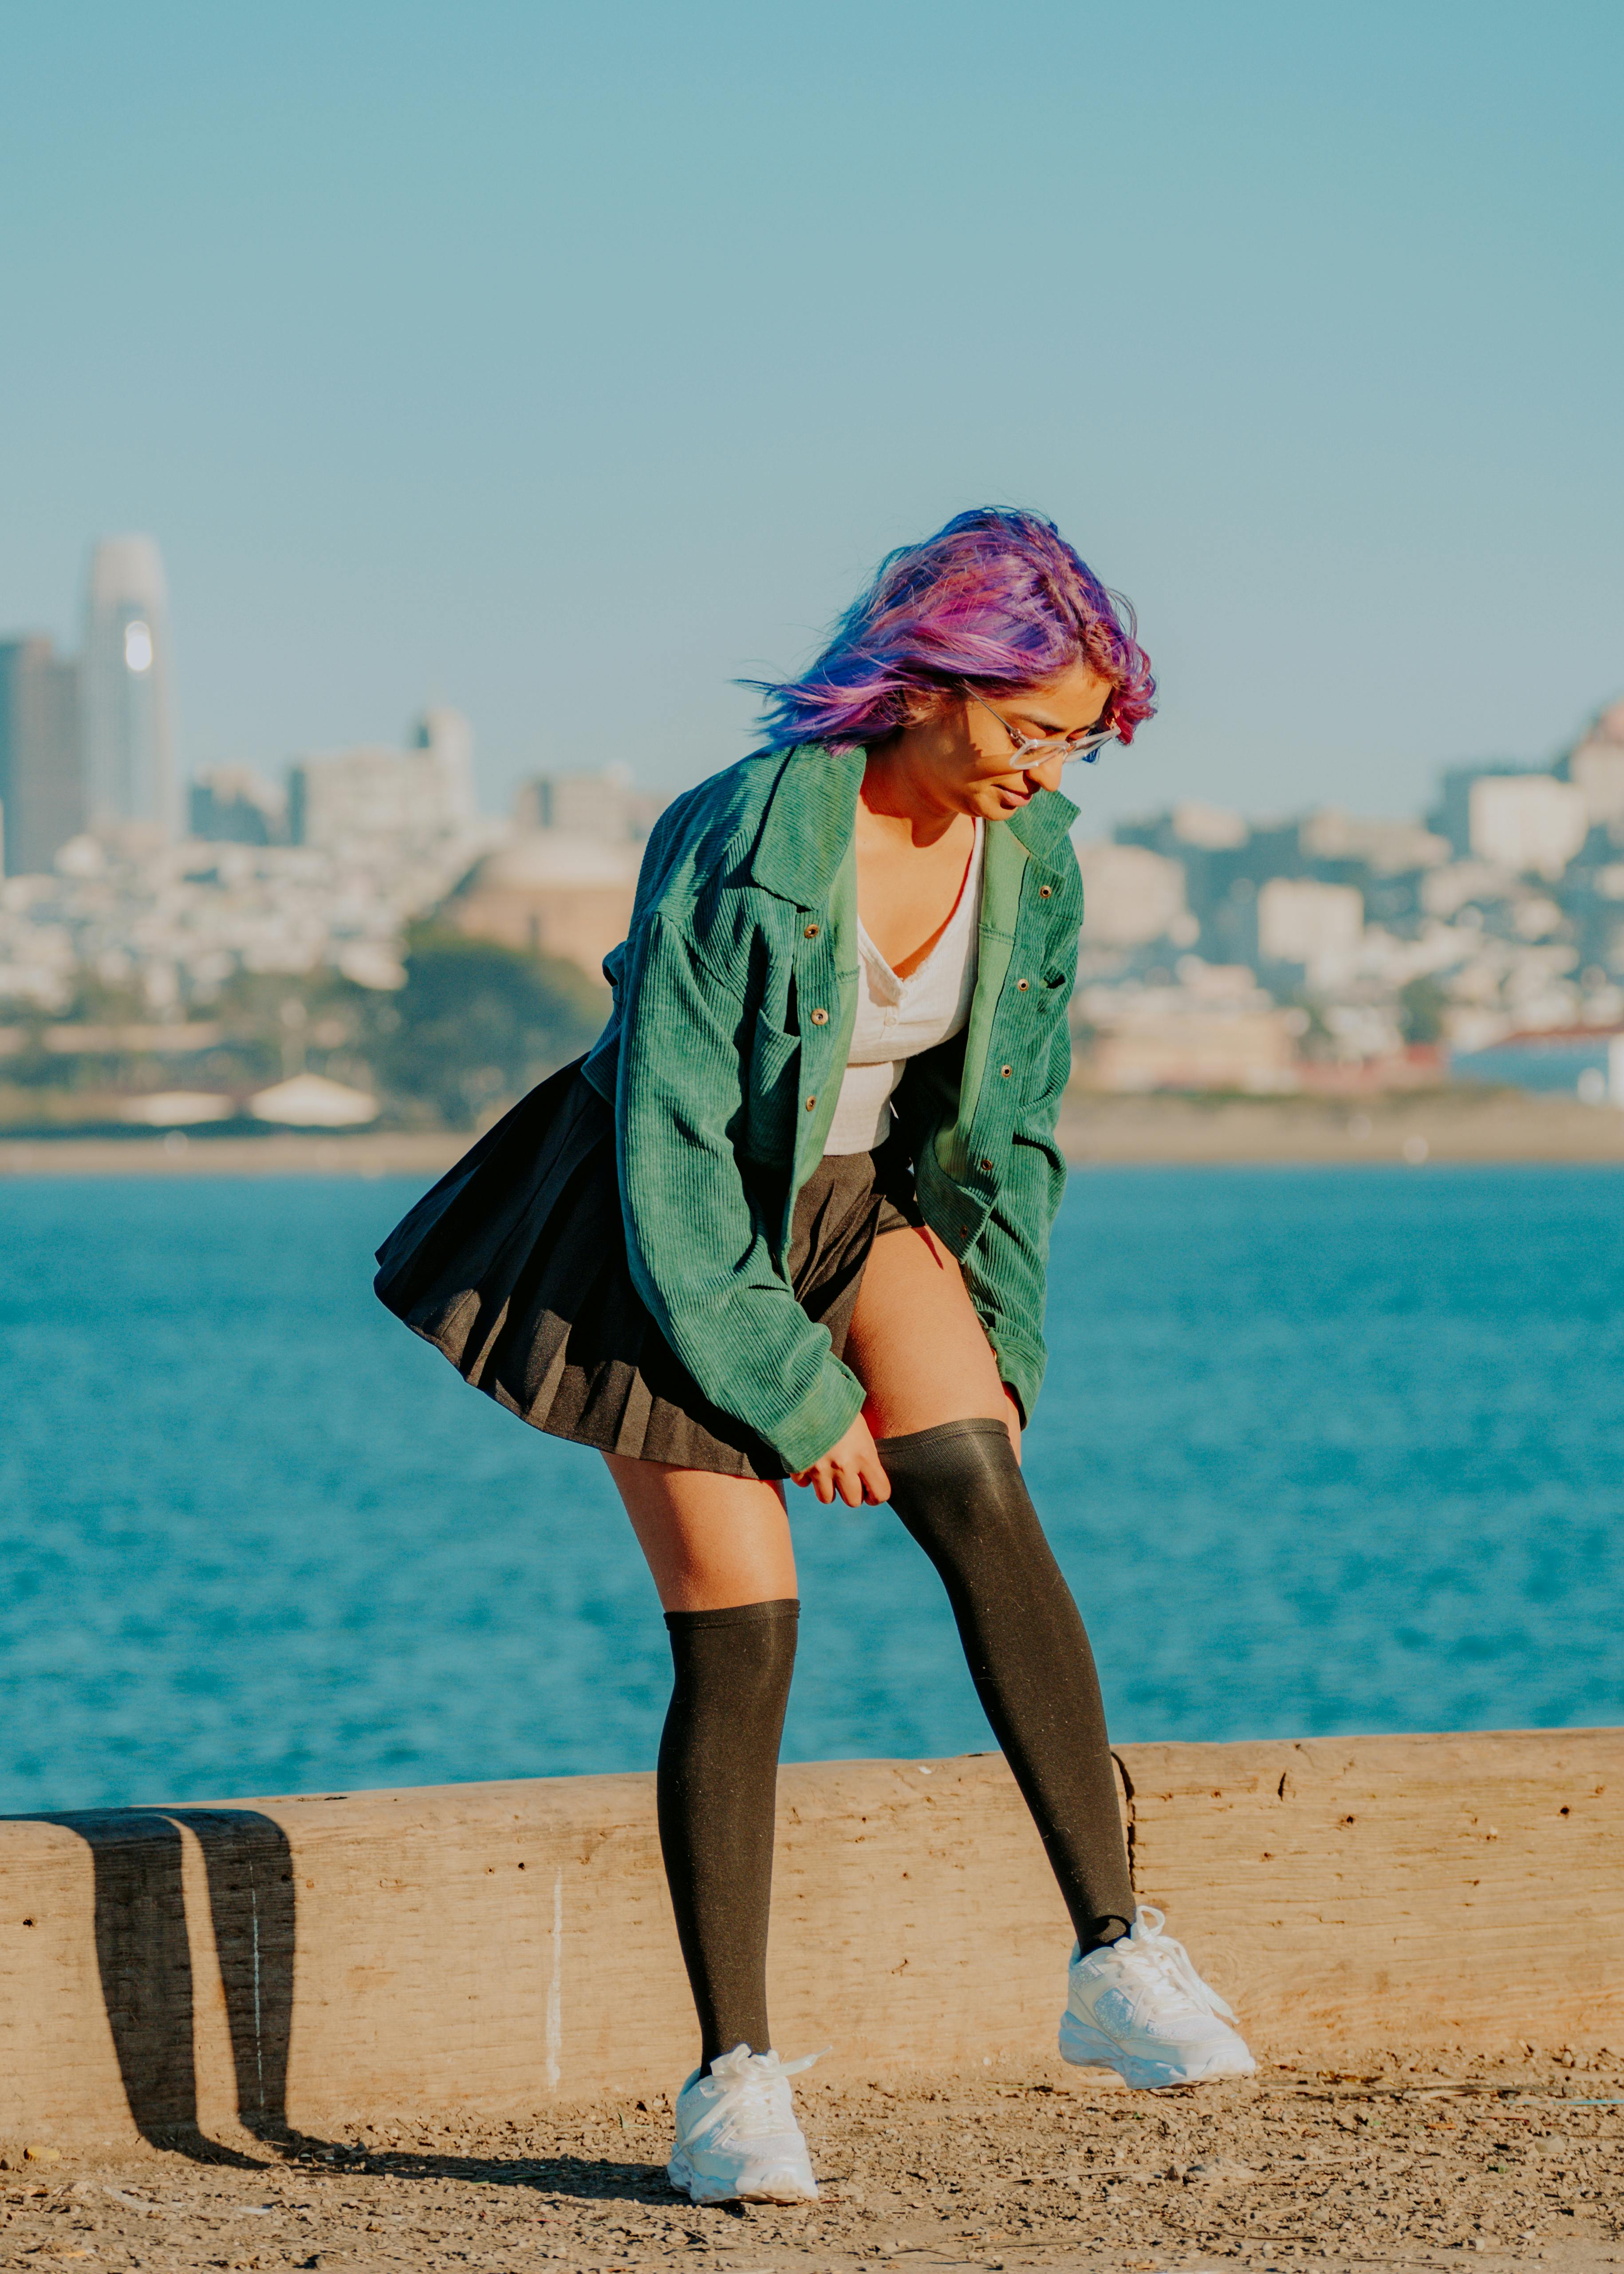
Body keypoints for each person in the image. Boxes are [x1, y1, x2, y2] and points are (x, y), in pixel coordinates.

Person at [374, 507, 1254, 2208]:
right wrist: (793, 1391)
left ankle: (1113, 1953)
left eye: (1080, 738)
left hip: (854, 1205)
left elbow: (1008, 1130)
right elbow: (677, 1146)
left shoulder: (1038, 853)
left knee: (978, 1477)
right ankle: (736, 2080)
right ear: (928, 683)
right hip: (655, 1220)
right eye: (1030, 727)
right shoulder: (740, 834)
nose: (1048, 766)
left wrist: (992, 1339)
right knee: (745, 1628)